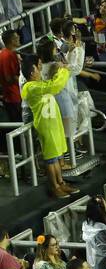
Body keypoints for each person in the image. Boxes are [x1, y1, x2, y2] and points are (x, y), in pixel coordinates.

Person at [20, 50, 73, 198]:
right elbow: (55, 86)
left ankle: (61, 183)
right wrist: (63, 71)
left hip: (54, 124)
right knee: (50, 159)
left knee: (56, 157)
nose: (40, 68)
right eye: (37, 67)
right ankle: (54, 187)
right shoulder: (30, 87)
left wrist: (58, 72)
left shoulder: (39, 84)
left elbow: (52, 84)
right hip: (46, 126)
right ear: (32, 72)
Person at [0, 29, 20, 123]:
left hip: (9, 96)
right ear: (12, 40)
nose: (19, 38)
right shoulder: (9, 55)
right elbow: (9, 78)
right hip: (14, 96)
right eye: (16, 37)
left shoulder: (3, 53)